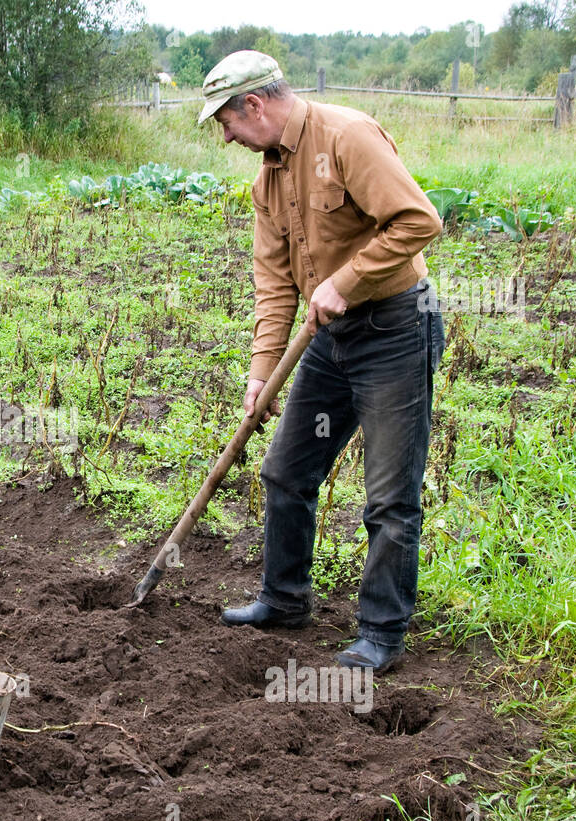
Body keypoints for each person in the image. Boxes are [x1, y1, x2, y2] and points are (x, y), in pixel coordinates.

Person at [199, 51, 445, 672]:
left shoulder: (347, 136)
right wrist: (260, 374)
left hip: (394, 331)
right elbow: (274, 286)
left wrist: (347, 280)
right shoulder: (267, 181)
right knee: (286, 471)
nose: (226, 136)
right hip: (327, 340)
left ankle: (381, 633)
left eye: (226, 121)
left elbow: (419, 220)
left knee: (389, 497)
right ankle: (284, 600)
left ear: (255, 104)